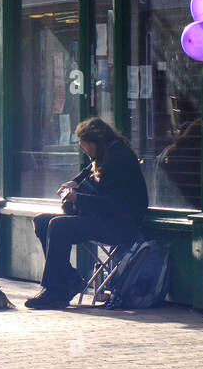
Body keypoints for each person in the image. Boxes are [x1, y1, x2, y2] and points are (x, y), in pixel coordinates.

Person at [27, 116, 148, 310]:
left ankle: (55, 290)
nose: (84, 151)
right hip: (101, 218)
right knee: (41, 221)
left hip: (121, 224)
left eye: (86, 147)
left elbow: (114, 204)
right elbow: (88, 170)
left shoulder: (119, 159)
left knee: (59, 226)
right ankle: (68, 280)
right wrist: (74, 182)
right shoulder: (105, 153)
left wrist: (78, 199)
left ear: (96, 143)